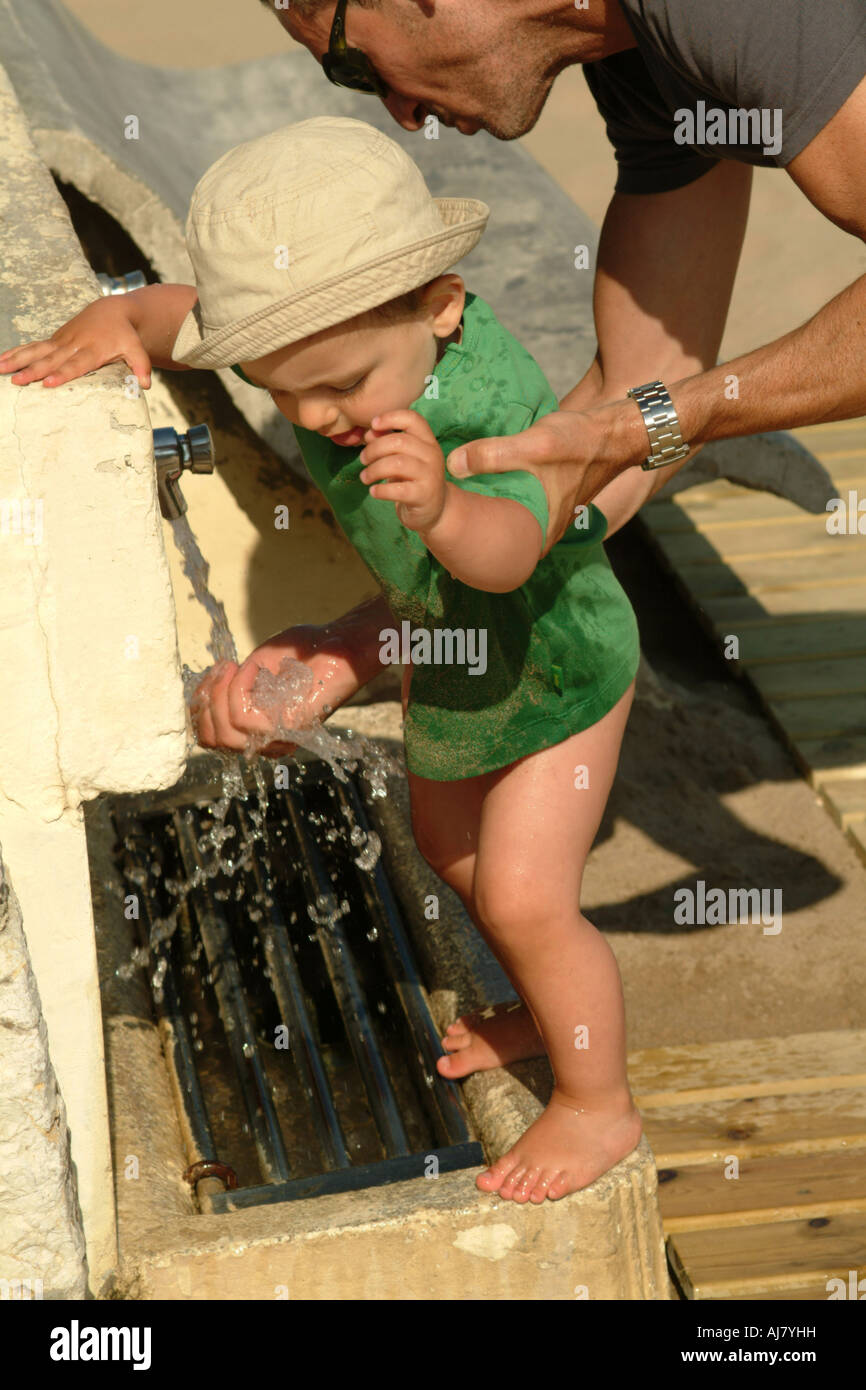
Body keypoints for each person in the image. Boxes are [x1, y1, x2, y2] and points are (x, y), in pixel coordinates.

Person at [0, 117, 673, 1203]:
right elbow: (185, 322)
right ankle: (541, 1011)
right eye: (283, 388)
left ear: (439, 306)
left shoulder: (487, 408)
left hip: (560, 663)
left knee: (523, 895)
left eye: (341, 388)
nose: (314, 416)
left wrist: (448, 507)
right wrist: (117, 317)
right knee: (452, 854)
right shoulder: (341, 351)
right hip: (456, 662)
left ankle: (598, 1103)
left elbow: (512, 551)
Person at [269, 0, 866, 549]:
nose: (401, 112)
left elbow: (628, 424)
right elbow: (639, 384)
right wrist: (391, 620)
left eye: (353, 67)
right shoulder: (634, 60)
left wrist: (642, 429)